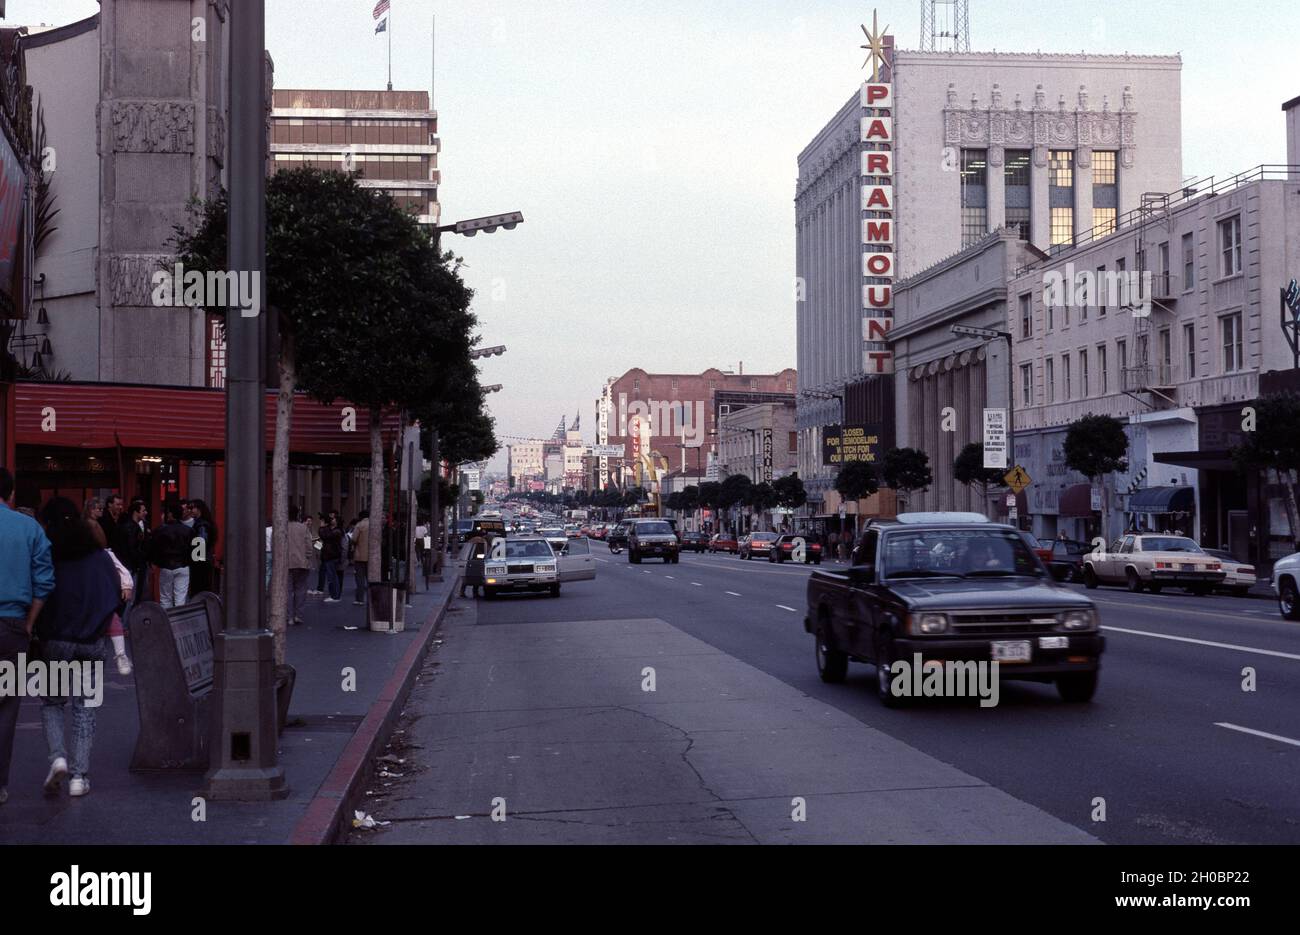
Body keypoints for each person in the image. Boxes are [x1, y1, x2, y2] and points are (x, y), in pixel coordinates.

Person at [35, 497, 120, 798]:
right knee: (85, 708)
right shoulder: (99, 557)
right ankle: (78, 777)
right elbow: (115, 595)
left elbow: (41, 592)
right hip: (92, 640)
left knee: (53, 703)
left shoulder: (48, 554)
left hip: (57, 639)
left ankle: (57, 757)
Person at [0, 469, 55, 806]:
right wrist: (30, 623)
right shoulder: (29, 528)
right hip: (12, 625)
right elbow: (44, 583)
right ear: (11, 494)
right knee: (5, 708)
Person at [149, 502, 192, 608]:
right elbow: (198, 550)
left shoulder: (160, 530)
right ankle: (180, 622)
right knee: (180, 599)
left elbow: (153, 548)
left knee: (165, 599)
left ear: (170, 514)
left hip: (166, 566)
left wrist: (154, 562)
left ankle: (167, 622)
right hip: (183, 565)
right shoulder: (189, 531)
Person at [286, 505, 314, 625]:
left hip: (286, 563)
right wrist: (307, 557)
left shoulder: (283, 527)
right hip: (302, 563)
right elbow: (309, 546)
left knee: (287, 590)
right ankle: (298, 615)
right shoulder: (303, 528)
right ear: (298, 515)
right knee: (301, 589)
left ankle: (289, 616)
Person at [185, 499, 218, 595]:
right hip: (204, 560)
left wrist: (194, 559)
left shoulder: (201, 525)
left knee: (199, 590)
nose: (190, 510)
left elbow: (200, 543)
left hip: (200, 563)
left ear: (199, 509)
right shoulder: (204, 523)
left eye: (192, 508)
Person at [318, 515, 344, 603]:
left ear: (337, 521)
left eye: (333, 518)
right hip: (330, 556)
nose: (331, 520)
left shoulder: (337, 531)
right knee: (332, 576)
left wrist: (322, 527)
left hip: (331, 556)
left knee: (332, 577)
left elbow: (324, 536)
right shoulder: (333, 530)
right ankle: (334, 595)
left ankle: (334, 596)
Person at [351, 511, 370, 606]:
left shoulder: (359, 525)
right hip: (372, 556)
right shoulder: (374, 524)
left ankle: (359, 599)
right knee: (370, 578)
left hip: (360, 555)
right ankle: (372, 598)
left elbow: (354, 538)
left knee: (360, 578)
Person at [460, 534, 488, 599]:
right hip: (472, 562)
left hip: (474, 562)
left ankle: (468, 592)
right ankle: (468, 592)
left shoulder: (477, 542)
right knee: (469, 577)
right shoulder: (479, 542)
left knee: (471, 577)